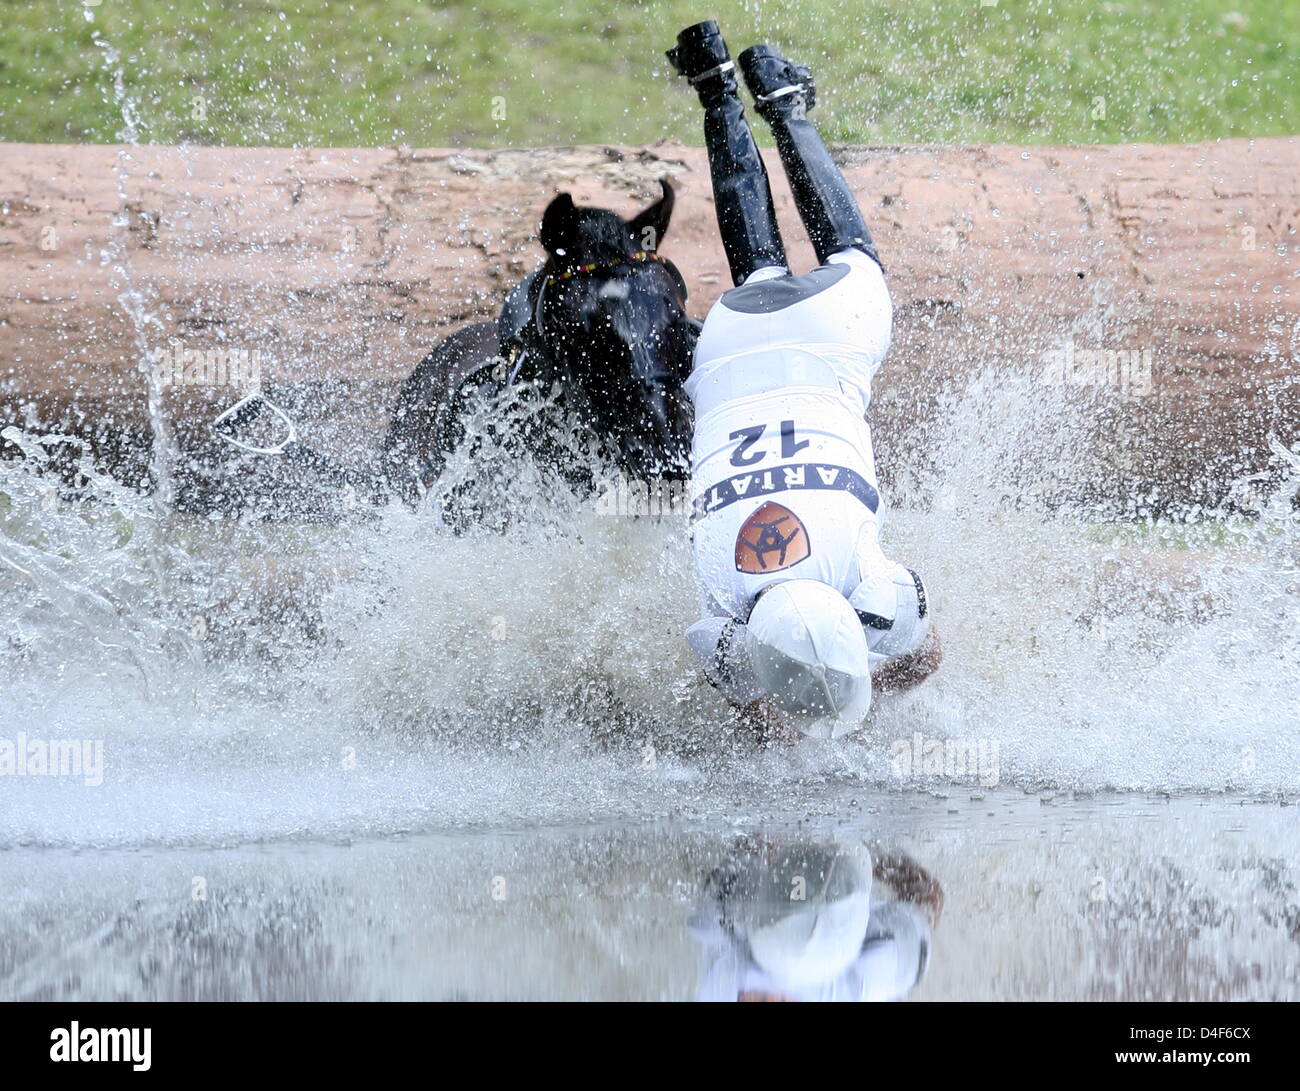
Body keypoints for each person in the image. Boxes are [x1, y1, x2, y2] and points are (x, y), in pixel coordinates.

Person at [667, 21, 941, 740]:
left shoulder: (869, 590)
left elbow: (921, 655)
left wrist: (836, 707)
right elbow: (922, 662)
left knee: (850, 257)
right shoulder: (727, 613)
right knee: (755, 264)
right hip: (725, 356)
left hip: (828, 339)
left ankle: (783, 104)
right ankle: (718, 92)